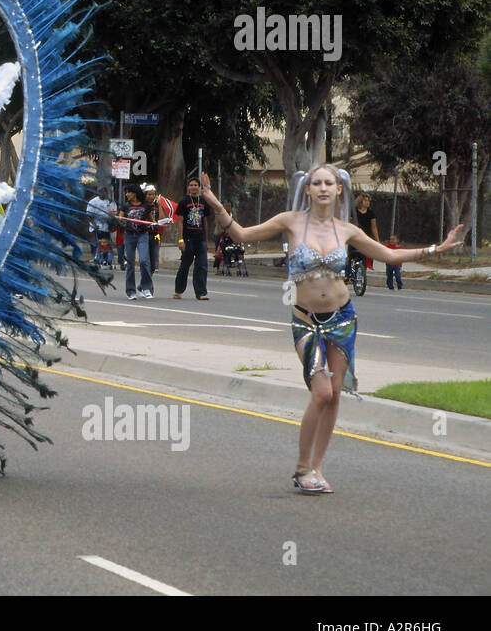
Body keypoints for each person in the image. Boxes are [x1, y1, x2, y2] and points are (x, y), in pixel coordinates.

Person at [198, 165, 463, 494]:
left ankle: (317, 467)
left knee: (335, 395)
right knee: (321, 391)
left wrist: (436, 248)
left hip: (342, 318)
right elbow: (241, 235)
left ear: (339, 190)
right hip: (305, 319)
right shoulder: (290, 221)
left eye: (330, 183)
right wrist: (215, 203)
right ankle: (300, 467)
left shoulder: (348, 230)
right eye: (316, 183)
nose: (323, 187)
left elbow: (388, 256)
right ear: (307, 189)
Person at [173, 176, 210, 299]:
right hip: (188, 238)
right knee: (185, 265)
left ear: (199, 187)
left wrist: (206, 238)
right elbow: (180, 221)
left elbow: (205, 221)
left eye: (196, 185)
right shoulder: (184, 201)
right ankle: (178, 290)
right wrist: (180, 239)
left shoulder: (203, 202)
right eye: (191, 185)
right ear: (188, 187)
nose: (194, 187)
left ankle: (201, 293)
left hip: (200, 239)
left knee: (201, 266)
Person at [117, 185, 154, 299]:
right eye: (126, 193)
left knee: (143, 261)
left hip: (142, 235)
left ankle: (145, 287)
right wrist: (121, 220)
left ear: (135, 193)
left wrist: (155, 224)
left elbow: (150, 220)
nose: (127, 195)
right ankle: (131, 291)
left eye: (129, 192)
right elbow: (121, 218)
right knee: (130, 264)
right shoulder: (125, 206)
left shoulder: (145, 206)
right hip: (129, 236)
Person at [143, 184, 175, 274]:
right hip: (144, 233)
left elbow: (161, 220)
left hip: (155, 233)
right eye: (149, 194)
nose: (151, 196)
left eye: (153, 194)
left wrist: (160, 205)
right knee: (145, 256)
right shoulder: (142, 205)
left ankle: (154, 268)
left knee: (155, 251)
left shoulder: (156, 206)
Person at [86, 187, 116, 269]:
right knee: (99, 244)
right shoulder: (93, 202)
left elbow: (113, 214)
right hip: (97, 226)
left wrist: (111, 226)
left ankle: (108, 260)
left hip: (107, 226)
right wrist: (94, 225)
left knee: (107, 244)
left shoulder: (110, 201)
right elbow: (89, 215)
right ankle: (98, 258)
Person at [351, 193, 380, 272]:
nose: (368, 202)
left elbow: (374, 227)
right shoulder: (353, 212)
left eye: (368, 201)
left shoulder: (371, 213)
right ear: (360, 201)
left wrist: (377, 240)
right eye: (365, 200)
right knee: (351, 255)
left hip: (366, 237)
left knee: (366, 255)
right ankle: (348, 273)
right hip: (354, 237)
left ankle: (363, 271)